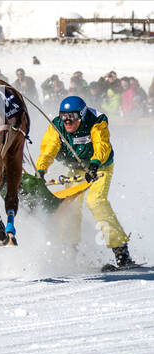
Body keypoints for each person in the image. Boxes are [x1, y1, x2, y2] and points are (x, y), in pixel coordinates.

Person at [34, 95, 135, 270]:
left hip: (100, 167)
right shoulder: (57, 126)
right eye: (63, 116)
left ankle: (121, 252)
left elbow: (102, 144)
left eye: (71, 116)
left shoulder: (96, 121)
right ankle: (69, 252)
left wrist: (94, 165)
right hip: (76, 170)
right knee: (69, 207)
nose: (67, 121)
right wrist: (41, 170)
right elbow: (48, 149)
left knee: (95, 202)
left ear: (81, 115)